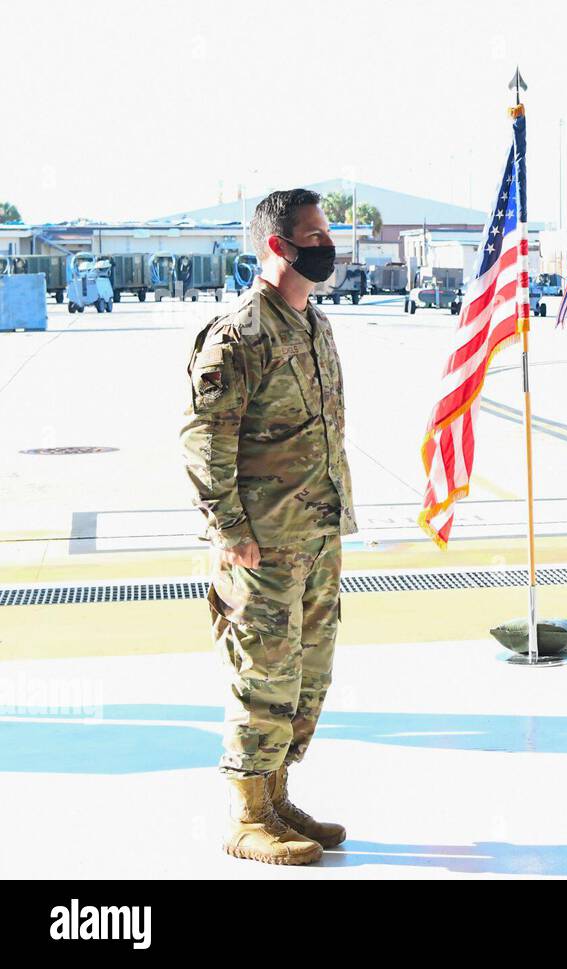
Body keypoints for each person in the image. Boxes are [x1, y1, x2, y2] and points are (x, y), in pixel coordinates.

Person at [180, 188, 356, 865]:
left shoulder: (315, 325)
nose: (325, 242)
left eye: (325, 230)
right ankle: (247, 815)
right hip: (261, 545)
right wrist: (230, 531)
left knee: (308, 674)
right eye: (312, 232)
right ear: (277, 245)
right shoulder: (238, 335)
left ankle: (277, 795)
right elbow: (204, 441)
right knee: (263, 673)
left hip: (315, 537)